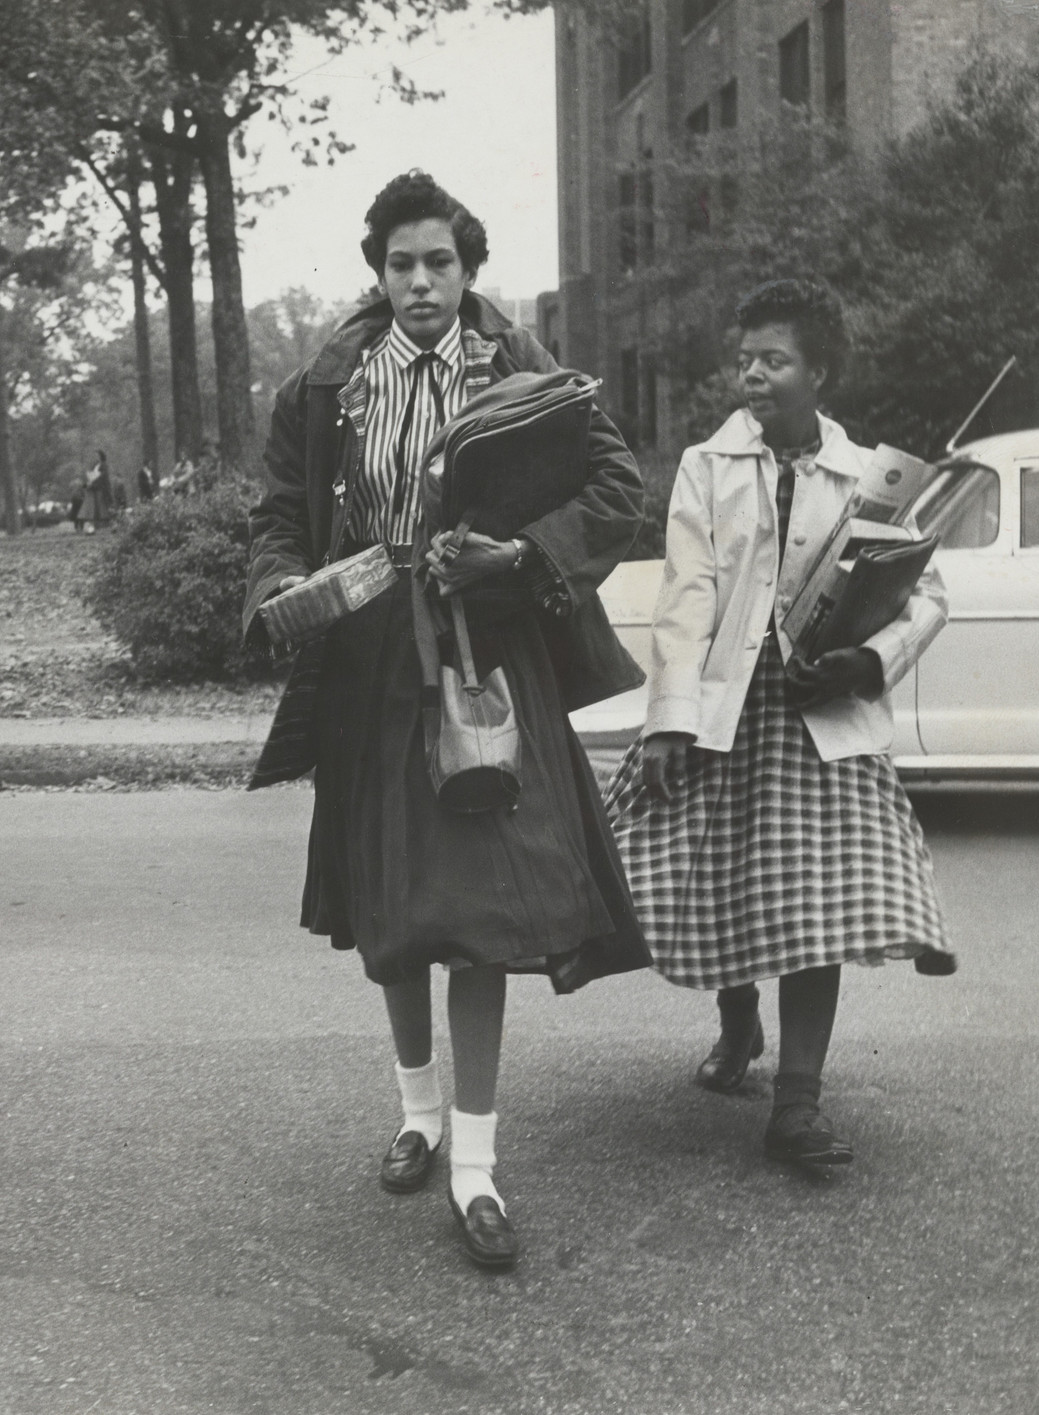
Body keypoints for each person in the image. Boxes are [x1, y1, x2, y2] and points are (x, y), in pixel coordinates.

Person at [244, 170, 650, 1271]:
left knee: (476, 909)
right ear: (375, 271)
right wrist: (285, 585)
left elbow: (615, 491)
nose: (419, 282)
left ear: (467, 270)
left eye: (438, 263)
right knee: (391, 904)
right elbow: (278, 510)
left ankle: (473, 1161)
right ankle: (415, 1110)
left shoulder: (521, 368)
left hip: (485, 655)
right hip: (371, 660)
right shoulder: (330, 382)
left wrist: (523, 556)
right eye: (399, 263)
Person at [604, 279, 955, 1170]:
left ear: (820, 371)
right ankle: (737, 1021)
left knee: (815, 901)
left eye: (775, 359)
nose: (753, 376)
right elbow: (685, 595)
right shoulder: (705, 465)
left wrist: (871, 660)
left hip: (818, 714)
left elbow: (926, 592)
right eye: (745, 360)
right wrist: (669, 721)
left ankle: (797, 1103)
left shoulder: (872, 476)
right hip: (724, 706)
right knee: (726, 878)